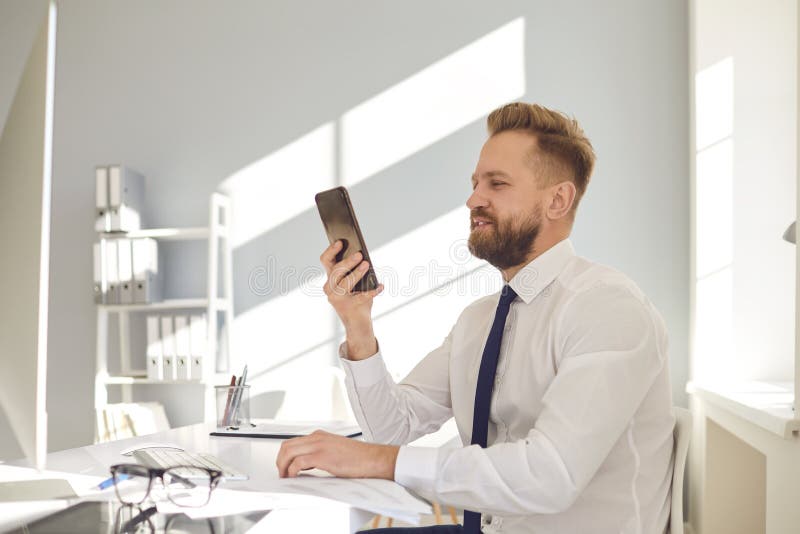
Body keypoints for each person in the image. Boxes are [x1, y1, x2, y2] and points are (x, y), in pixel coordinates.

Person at [276, 102, 674, 534]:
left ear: (558, 199)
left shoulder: (607, 308)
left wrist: (378, 462)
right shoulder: (479, 321)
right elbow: (392, 428)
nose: (473, 199)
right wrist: (357, 322)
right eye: (475, 183)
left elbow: (549, 475)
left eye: (497, 184)